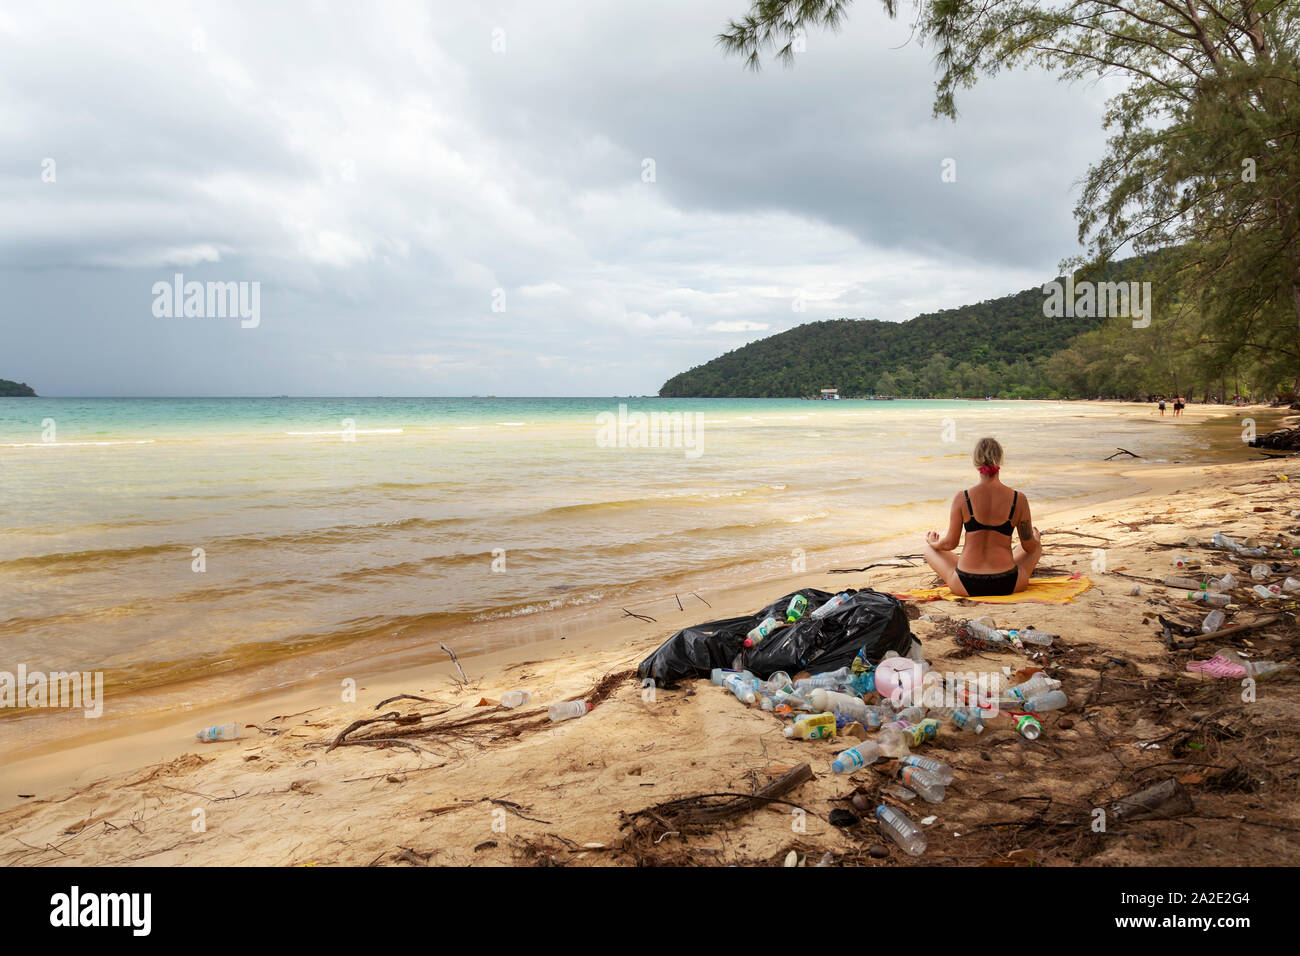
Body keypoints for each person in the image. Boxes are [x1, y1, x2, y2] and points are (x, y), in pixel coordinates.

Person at [922, 437, 1042, 596]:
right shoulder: (1018, 499)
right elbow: (1029, 547)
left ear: (976, 462)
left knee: (929, 550)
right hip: (1008, 583)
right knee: (1035, 545)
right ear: (1000, 460)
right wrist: (1035, 539)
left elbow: (950, 543)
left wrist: (934, 543)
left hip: (966, 584)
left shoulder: (962, 498)